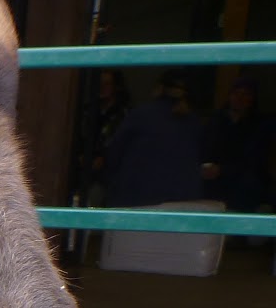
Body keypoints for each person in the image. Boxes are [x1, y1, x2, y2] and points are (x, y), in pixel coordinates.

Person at [103, 70, 205, 207]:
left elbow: (114, 155)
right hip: (182, 206)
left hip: (137, 201)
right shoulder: (194, 122)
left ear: (159, 88)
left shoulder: (140, 115)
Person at [202, 76, 272, 218]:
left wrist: (223, 170)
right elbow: (206, 148)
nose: (240, 98)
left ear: (252, 99)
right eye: (236, 93)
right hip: (214, 186)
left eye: (246, 94)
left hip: (242, 188)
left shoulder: (259, 126)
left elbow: (255, 160)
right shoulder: (216, 120)